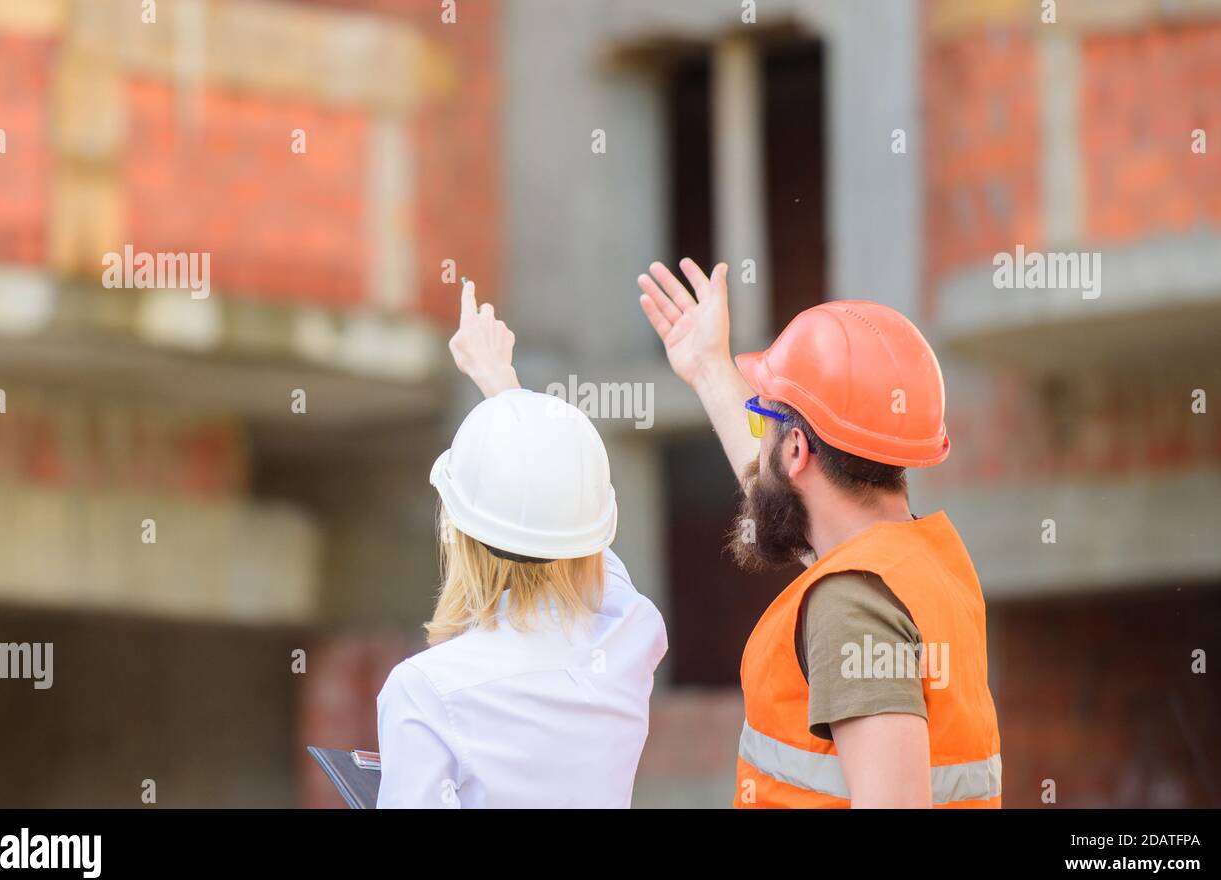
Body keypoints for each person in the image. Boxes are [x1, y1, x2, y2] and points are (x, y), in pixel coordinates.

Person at [637, 259, 1001, 808]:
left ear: (797, 452)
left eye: (764, 422)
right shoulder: (909, 563)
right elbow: (780, 489)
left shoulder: (853, 607)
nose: (757, 440)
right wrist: (708, 366)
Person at [375, 279, 668, 808]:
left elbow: (564, 518)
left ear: (456, 534)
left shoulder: (424, 690)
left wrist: (504, 396)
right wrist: (505, 392)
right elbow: (568, 514)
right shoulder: (630, 636)